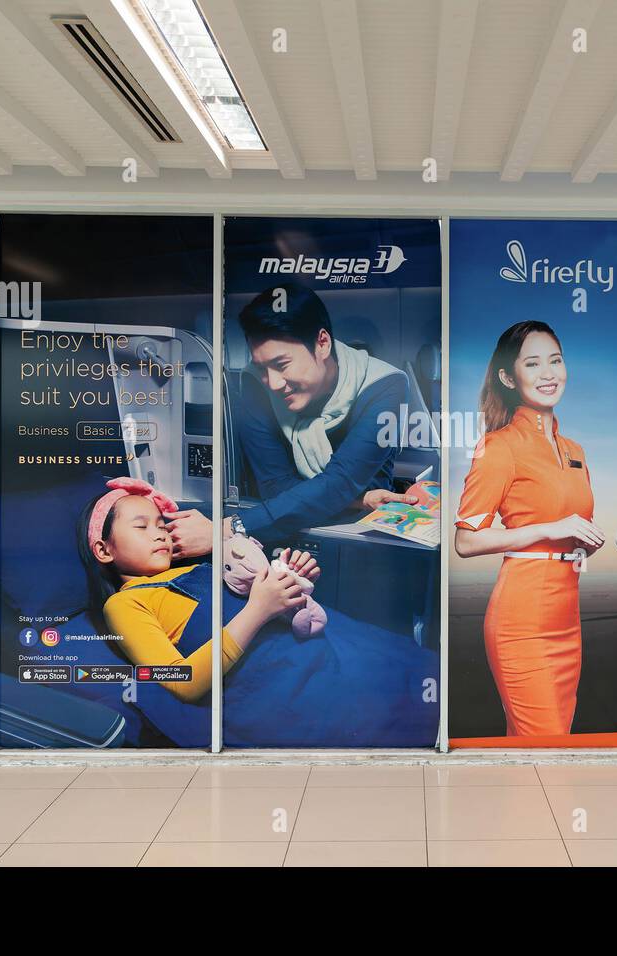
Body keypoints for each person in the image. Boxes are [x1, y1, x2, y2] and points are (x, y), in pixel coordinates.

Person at [76, 477, 317, 745]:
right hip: (278, 680)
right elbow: (184, 682)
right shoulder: (124, 603)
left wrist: (291, 580)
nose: (159, 534)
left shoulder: (198, 567)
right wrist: (259, 608)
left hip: (302, 647)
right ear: (103, 549)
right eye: (141, 527)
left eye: (161, 525)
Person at [453, 321, 605, 737]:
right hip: (522, 622)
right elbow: (465, 541)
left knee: (541, 748)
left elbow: (565, 528)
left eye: (555, 361)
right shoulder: (498, 447)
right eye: (533, 363)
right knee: (544, 747)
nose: (548, 373)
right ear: (508, 376)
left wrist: (580, 540)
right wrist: (552, 528)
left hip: (567, 620)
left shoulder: (575, 451)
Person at [222, 281, 416, 543]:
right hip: (284, 527)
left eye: (282, 364)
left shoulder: (385, 385)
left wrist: (229, 529)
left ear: (322, 343)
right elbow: (274, 487)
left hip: (361, 530)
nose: (273, 383)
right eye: (262, 367)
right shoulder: (255, 384)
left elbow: (340, 482)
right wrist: (359, 499)